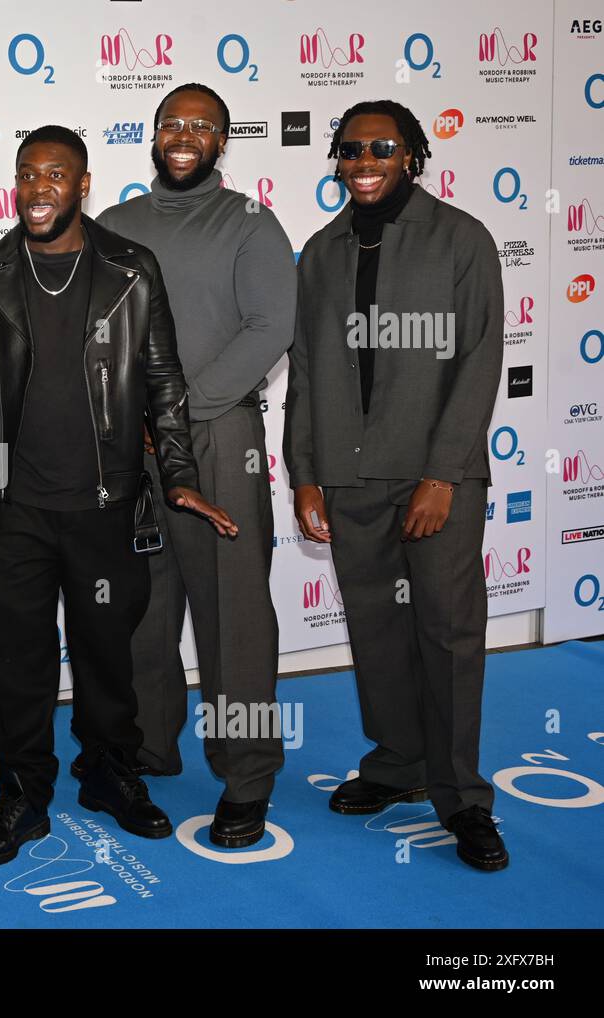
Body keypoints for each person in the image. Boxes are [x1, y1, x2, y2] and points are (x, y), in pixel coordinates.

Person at [0, 126, 236, 867]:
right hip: (12, 506)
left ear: (82, 185)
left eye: (55, 175)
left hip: (107, 503)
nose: (39, 188)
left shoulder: (132, 271)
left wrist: (179, 478)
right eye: (27, 175)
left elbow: (165, 384)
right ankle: (22, 793)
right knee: (15, 661)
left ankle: (109, 770)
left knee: (111, 654)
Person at [283, 99, 508, 871]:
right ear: (336, 161)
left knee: (446, 632)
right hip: (347, 476)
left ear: (411, 152)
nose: (365, 160)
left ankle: (462, 798)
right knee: (376, 630)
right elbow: (307, 372)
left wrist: (444, 473)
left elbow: (480, 360)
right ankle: (397, 765)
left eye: (381, 146)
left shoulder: (461, 239)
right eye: (350, 149)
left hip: (432, 476)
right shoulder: (319, 251)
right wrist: (304, 475)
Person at [95, 83, 295, 848]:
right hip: (129, 445)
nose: (184, 135)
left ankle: (246, 775)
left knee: (234, 616)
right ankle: (149, 746)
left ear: (221, 140)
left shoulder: (249, 222)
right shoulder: (115, 224)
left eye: (200, 126)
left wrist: (176, 413)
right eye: (171, 123)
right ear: (153, 135)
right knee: (141, 609)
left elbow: (270, 326)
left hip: (216, 439)